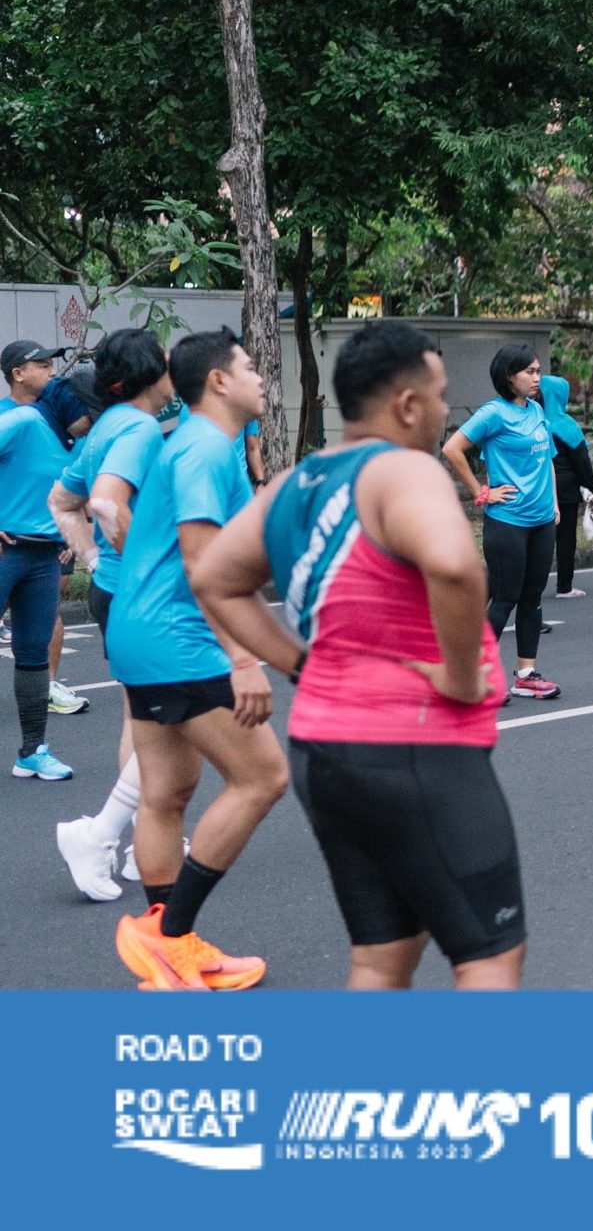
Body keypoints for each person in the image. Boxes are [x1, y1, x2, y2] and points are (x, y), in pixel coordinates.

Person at [192, 320, 524, 990]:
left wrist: (299, 665)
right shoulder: (402, 468)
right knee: (488, 956)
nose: (441, 409)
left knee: (380, 956)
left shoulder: (293, 483)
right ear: (407, 405)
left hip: (325, 748)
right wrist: (463, 677)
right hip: (416, 746)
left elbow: (213, 579)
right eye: (437, 394)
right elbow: (458, 566)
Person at [106, 329, 285, 991]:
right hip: (179, 638)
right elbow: (204, 562)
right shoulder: (208, 446)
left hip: (141, 632)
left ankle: (169, 945)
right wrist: (242, 657)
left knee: (166, 793)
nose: (260, 376)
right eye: (249, 366)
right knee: (263, 777)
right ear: (218, 380)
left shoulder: (196, 441)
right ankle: (170, 935)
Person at [49, 330, 175, 899]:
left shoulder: (104, 428)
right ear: (152, 370)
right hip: (141, 595)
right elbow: (101, 501)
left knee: (144, 723)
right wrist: (136, 559)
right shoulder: (140, 427)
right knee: (175, 726)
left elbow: (62, 501)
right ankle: (102, 834)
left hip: (113, 589)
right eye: (167, 359)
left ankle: (134, 842)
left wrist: (96, 556)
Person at [443, 344, 561, 702]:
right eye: (529, 372)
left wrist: (553, 502)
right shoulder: (494, 413)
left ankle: (525, 675)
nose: (537, 377)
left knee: (532, 598)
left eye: (538, 371)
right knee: (505, 597)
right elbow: (452, 449)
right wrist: (482, 492)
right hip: (508, 521)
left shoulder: (537, 410)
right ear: (510, 376)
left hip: (542, 521)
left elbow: (548, 460)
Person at [0, 341, 74, 781]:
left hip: (45, 557)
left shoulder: (56, 423)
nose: (51, 372)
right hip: (7, 552)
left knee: (31, 656)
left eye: (52, 364)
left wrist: (69, 525)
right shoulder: (17, 420)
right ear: (16, 373)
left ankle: (32, 752)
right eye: (41, 365)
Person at [539, 371, 593, 599]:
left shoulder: (534, 420)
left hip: (538, 490)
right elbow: (582, 461)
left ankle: (526, 588)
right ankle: (564, 586)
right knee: (565, 539)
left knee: (537, 539)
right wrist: (592, 490)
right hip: (564, 492)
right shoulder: (567, 425)